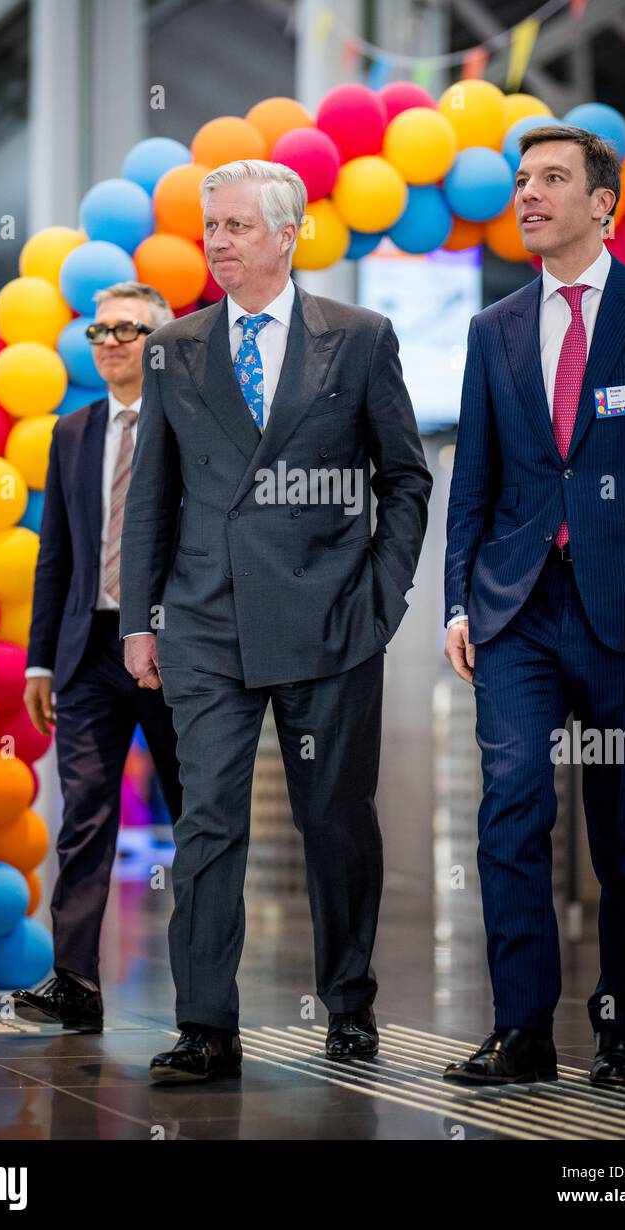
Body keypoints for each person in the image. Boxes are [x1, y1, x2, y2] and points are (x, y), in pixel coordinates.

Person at [120, 159, 432, 1083]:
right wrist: (141, 622)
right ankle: (207, 1026)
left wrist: (382, 596)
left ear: (287, 234)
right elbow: (151, 499)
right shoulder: (174, 348)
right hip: (206, 628)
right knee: (207, 825)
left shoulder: (361, 338)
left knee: (334, 819)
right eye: (210, 226)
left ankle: (347, 1005)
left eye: (235, 227)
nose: (216, 241)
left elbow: (405, 478)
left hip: (332, 624)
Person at [443, 124, 625, 1087]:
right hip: (518, 609)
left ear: (603, 203)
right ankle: (522, 1030)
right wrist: (458, 604)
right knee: (514, 802)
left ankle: (619, 1029)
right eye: (522, 180)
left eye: (552, 179)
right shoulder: (493, 330)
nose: (527, 194)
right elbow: (474, 487)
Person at [12, 282, 183, 1033]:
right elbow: (58, 554)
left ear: (159, 341)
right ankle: (75, 980)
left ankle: (206, 1000)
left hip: (176, 652)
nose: (110, 339)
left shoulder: (188, 424)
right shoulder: (74, 431)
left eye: (127, 328)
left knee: (198, 819)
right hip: (87, 654)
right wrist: (39, 661)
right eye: (98, 329)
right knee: (84, 814)